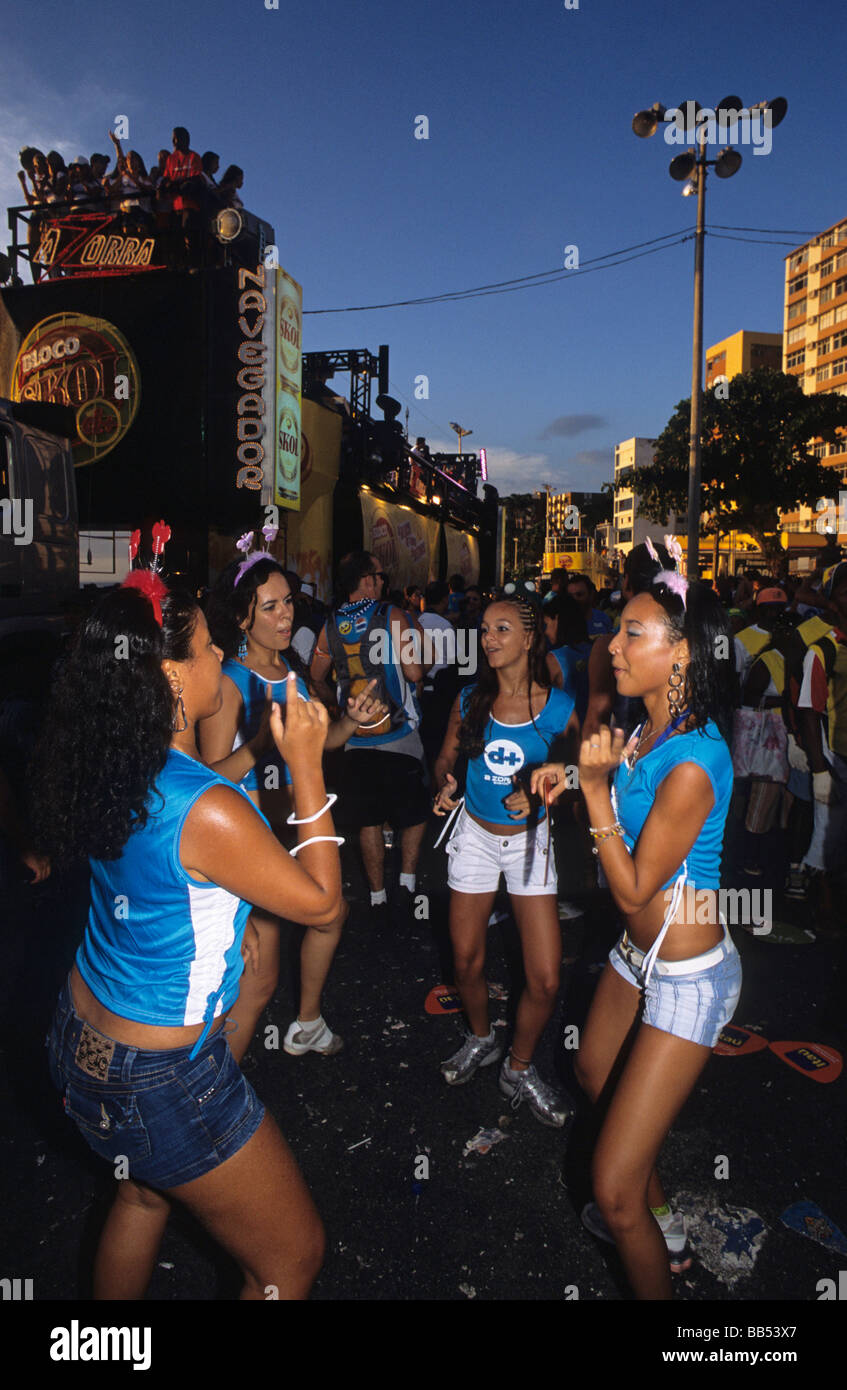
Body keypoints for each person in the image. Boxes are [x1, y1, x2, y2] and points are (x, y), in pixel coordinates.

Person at [30, 567, 342, 1299]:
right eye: (203, 648)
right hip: (159, 1078)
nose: (215, 659)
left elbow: (180, 848)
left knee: (142, 1194)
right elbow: (323, 904)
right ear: (168, 675)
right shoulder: (205, 807)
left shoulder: (113, 759)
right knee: (289, 1262)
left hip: (80, 1041)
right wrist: (303, 765)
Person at [532, 560, 739, 1299]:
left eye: (629, 632)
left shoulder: (696, 759)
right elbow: (622, 792)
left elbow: (628, 883)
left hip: (688, 976)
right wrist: (569, 776)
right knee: (590, 1071)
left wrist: (591, 795)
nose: (609, 645)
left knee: (609, 1191)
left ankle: (643, 1229)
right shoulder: (650, 728)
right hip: (635, 952)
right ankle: (663, 1222)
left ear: (680, 651)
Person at [200, 545, 386, 1058]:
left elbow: (318, 744)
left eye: (288, 603)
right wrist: (259, 746)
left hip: (298, 826)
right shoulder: (229, 685)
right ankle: (214, 1091)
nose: (286, 615)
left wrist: (352, 721)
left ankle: (306, 1021)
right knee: (259, 979)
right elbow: (207, 783)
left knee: (331, 915)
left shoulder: (290, 671)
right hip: (249, 841)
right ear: (242, 617)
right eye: (271, 607)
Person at [432, 594, 579, 1126]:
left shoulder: (560, 707)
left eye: (501, 629)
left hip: (529, 842)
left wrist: (549, 792)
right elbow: (447, 756)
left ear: (530, 637)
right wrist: (445, 781)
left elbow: (584, 777)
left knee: (543, 978)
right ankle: (480, 1037)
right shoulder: (471, 697)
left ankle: (518, 1067)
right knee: (466, 959)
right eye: (484, 630)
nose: (488, 638)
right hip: (473, 834)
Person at [310, 552, 427, 923]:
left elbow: (315, 676)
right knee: (413, 811)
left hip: (354, 736)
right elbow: (412, 671)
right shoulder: (392, 616)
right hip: (398, 732)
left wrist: (340, 710)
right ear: (369, 580)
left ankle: (376, 896)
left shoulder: (330, 624)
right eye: (379, 575)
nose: (382, 581)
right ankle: (406, 884)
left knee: (368, 819)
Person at [543, 592, 591, 724]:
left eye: (546, 624)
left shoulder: (554, 659)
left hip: (565, 729)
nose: (546, 632)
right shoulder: (595, 651)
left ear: (557, 619)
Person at [567, 573, 612, 640]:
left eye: (579, 595)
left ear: (591, 595)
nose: (574, 599)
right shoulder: (563, 623)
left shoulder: (603, 619)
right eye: (570, 596)